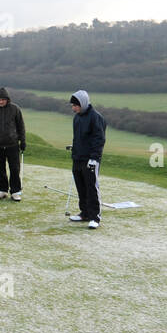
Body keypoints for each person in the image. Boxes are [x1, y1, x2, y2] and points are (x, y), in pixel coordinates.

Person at [68, 89, 106, 229]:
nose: (73, 108)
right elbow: (79, 138)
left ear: (82, 104)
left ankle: (95, 216)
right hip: (77, 157)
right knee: (81, 186)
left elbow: (99, 139)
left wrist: (94, 158)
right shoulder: (77, 117)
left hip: (91, 159)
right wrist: (74, 147)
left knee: (91, 187)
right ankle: (85, 213)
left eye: (75, 105)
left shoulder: (95, 117)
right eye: (72, 106)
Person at [0, 87, 26, 200]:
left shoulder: (15, 109)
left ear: (7, 99)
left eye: (3, 99)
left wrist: (23, 141)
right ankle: (2, 190)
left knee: (14, 168)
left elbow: (21, 126)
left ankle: (15, 191)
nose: (1, 102)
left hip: (12, 144)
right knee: (1, 169)